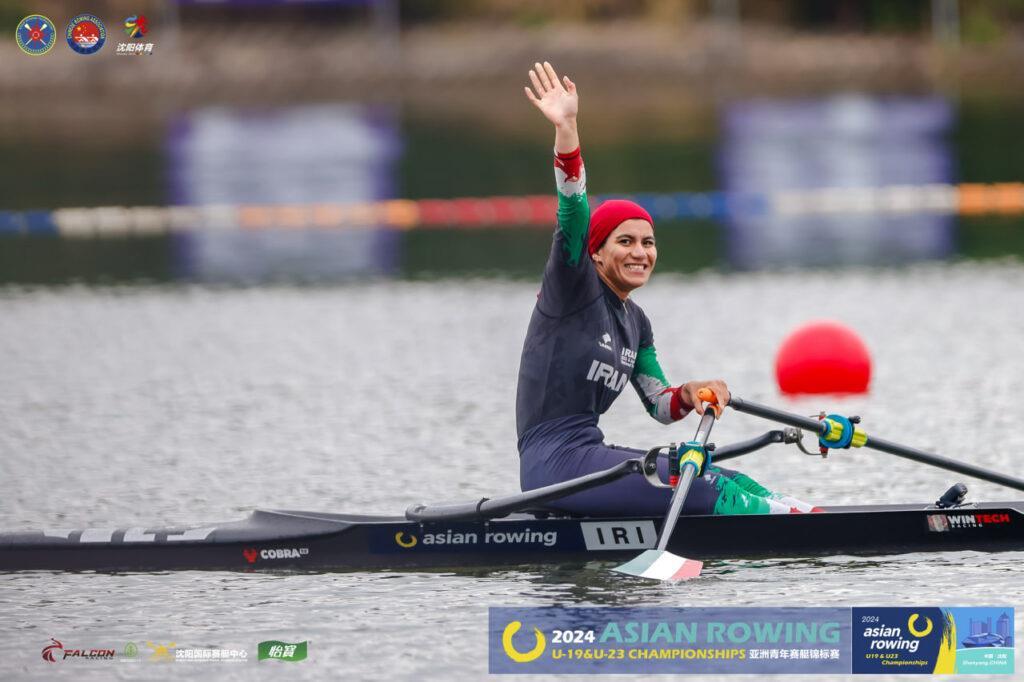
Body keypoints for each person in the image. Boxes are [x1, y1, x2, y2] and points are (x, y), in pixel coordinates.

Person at [516, 61, 817, 517]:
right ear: (594, 253)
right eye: (625, 241)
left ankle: (811, 521)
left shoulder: (635, 323)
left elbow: (658, 404)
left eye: (648, 242)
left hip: (587, 455)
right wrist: (568, 129)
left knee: (724, 476)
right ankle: (794, 533)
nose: (641, 252)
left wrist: (691, 393)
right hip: (551, 465)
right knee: (700, 486)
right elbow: (573, 207)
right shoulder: (571, 286)